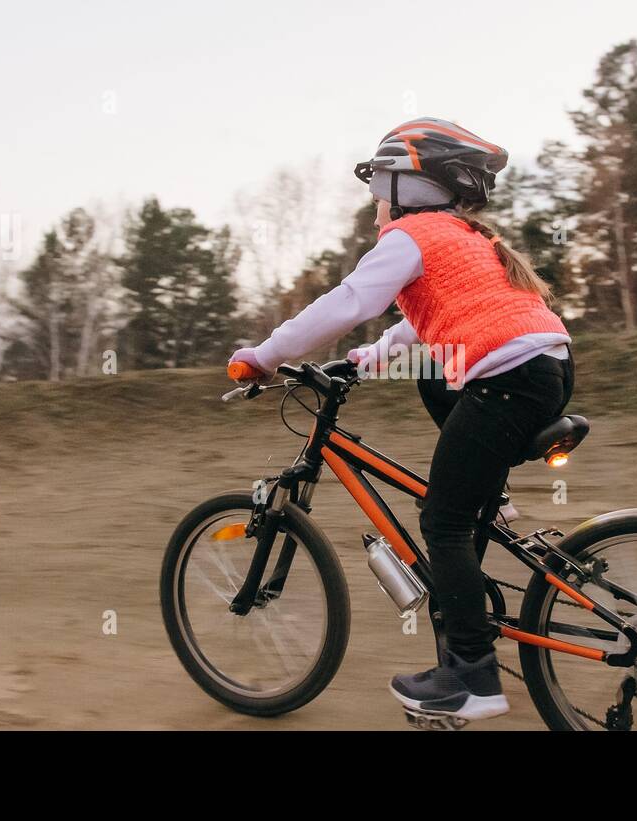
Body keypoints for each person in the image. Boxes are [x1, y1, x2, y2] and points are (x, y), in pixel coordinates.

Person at [229, 117, 574, 723]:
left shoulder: (412, 237)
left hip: (507, 385)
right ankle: (491, 503)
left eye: (380, 189)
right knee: (436, 373)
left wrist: (265, 355)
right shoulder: (466, 238)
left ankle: (472, 676)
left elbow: (348, 301)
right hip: (545, 369)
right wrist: (370, 356)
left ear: (410, 189)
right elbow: (428, 319)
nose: (374, 208)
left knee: (440, 520)